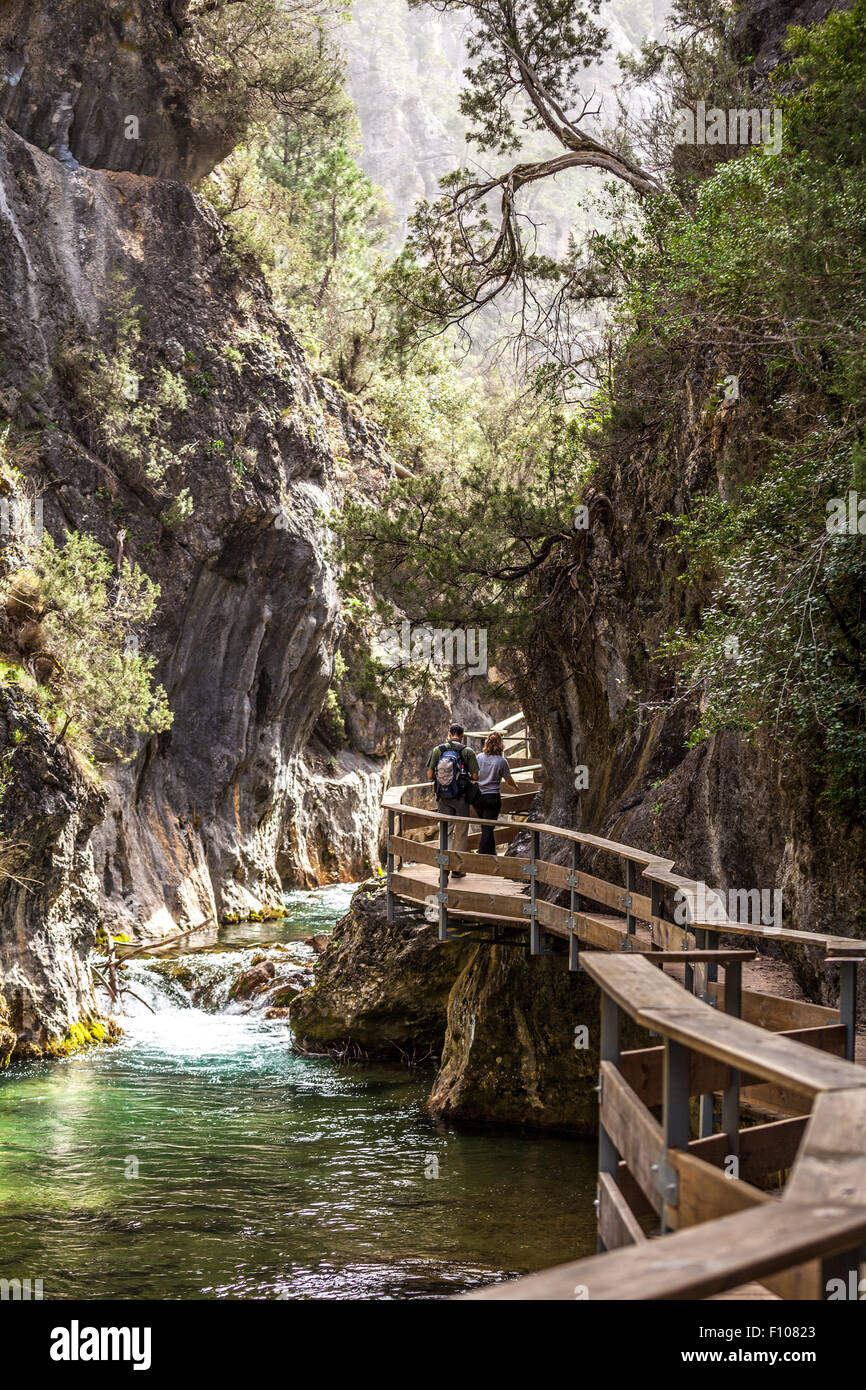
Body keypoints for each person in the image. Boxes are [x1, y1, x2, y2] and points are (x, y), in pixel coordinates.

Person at [426, 723, 479, 878]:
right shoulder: (467, 751)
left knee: (445, 830)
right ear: (462, 736)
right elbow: (475, 777)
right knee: (461, 831)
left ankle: (444, 866)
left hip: (442, 796)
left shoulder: (438, 750)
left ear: (449, 734)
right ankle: (458, 868)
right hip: (461, 797)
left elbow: (429, 776)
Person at [476, 731, 519, 857]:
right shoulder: (502, 761)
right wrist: (515, 786)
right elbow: (508, 779)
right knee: (488, 827)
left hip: (479, 797)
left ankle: (491, 852)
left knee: (486, 826)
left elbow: (474, 775)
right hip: (493, 797)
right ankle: (481, 855)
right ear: (500, 745)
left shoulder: (479, 758)